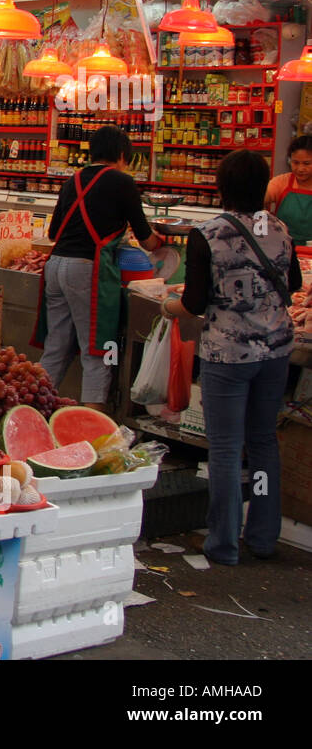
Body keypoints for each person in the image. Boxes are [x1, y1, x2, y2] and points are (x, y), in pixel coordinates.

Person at [162, 151, 299, 564]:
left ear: (221, 187)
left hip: (228, 353)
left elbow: (195, 302)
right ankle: (262, 537)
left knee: (223, 448)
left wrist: (168, 307)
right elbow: (291, 284)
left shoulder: (207, 233)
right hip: (276, 350)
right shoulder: (278, 228)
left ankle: (222, 543)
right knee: (263, 444)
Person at [36, 125, 163, 408]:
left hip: (55, 267)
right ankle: (93, 429)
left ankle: (33, 413)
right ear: (121, 155)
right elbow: (147, 240)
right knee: (100, 350)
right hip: (87, 271)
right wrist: (162, 239)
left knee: (56, 347)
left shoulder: (73, 181)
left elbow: (53, 234)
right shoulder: (122, 182)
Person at [263, 134, 312, 246]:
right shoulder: (281, 182)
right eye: (295, 163)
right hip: (283, 248)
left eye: (307, 164)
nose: (300, 169)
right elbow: (256, 201)